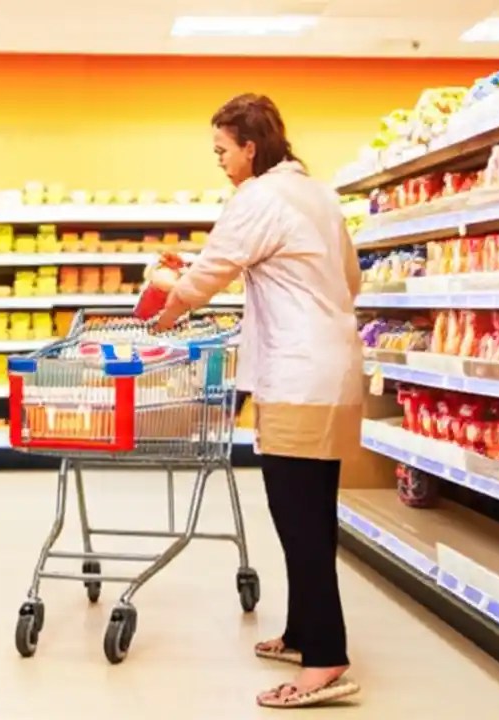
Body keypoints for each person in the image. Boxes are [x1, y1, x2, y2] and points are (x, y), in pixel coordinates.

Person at [154, 93, 363, 709]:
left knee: (296, 516)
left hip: (298, 375)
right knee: (313, 511)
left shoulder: (259, 196)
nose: (218, 160)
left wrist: (167, 309)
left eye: (222, 149)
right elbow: (350, 279)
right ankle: (305, 632)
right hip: (331, 369)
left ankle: (326, 659)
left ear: (251, 147)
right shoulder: (318, 194)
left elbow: (213, 267)